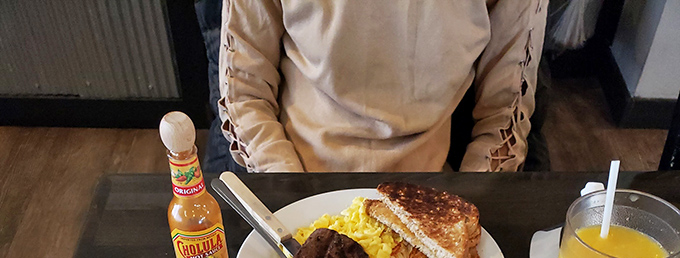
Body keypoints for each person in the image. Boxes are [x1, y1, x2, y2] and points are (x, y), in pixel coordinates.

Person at [214, 0, 548, 173]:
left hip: (430, 182)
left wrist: (462, 216)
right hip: (297, 167)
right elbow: (245, 89)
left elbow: (504, 108)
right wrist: (287, 189)